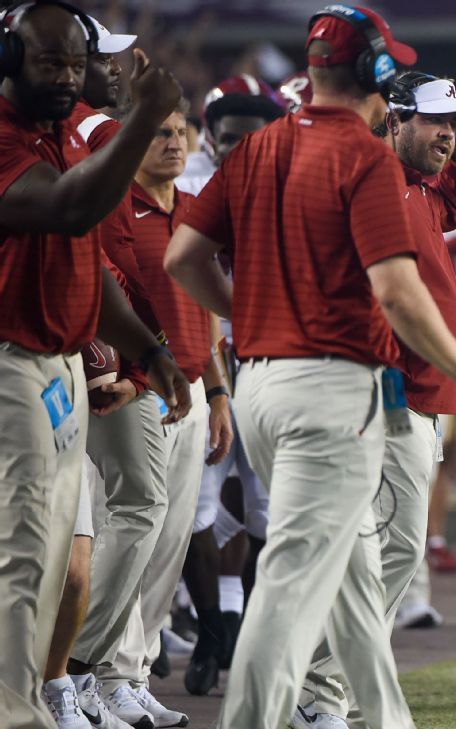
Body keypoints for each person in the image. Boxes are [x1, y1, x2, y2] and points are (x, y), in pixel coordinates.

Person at [164, 6, 456, 728]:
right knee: (291, 578)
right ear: (378, 75)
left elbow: (182, 257)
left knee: (353, 569)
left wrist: (248, 313)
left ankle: (377, 714)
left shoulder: (257, 147)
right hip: (330, 384)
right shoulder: (366, 155)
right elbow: (397, 292)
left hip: (262, 378)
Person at [0, 3, 190, 727]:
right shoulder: (7, 136)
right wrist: (148, 116)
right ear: (7, 57)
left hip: (56, 365)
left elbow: (85, 264)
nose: (67, 78)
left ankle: (28, 702)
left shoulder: (54, 138)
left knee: (49, 557)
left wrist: (149, 349)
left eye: (76, 64)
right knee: (21, 551)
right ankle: (15, 712)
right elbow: (70, 212)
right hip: (10, 361)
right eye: (50, 62)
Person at [293, 69, 456, 728]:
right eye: (436, 122)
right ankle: (321, 684)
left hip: (420, 391)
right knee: (390, 547)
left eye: (453, 122)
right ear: (394, 119)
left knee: (385, 549)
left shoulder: (420, 187)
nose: (449, 134)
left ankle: (322, 683)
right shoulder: (376, 181)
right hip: (391, 390)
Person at [179, 74, 286, 698]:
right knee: (197, 507)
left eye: (253, 140)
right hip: (208, 365)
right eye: (228, 141)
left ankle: (248, 636)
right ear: (211, 142)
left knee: (269, 509)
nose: (239, 151)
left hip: (272, 367)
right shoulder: (191, 188)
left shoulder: (293, 192)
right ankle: (214, 632)